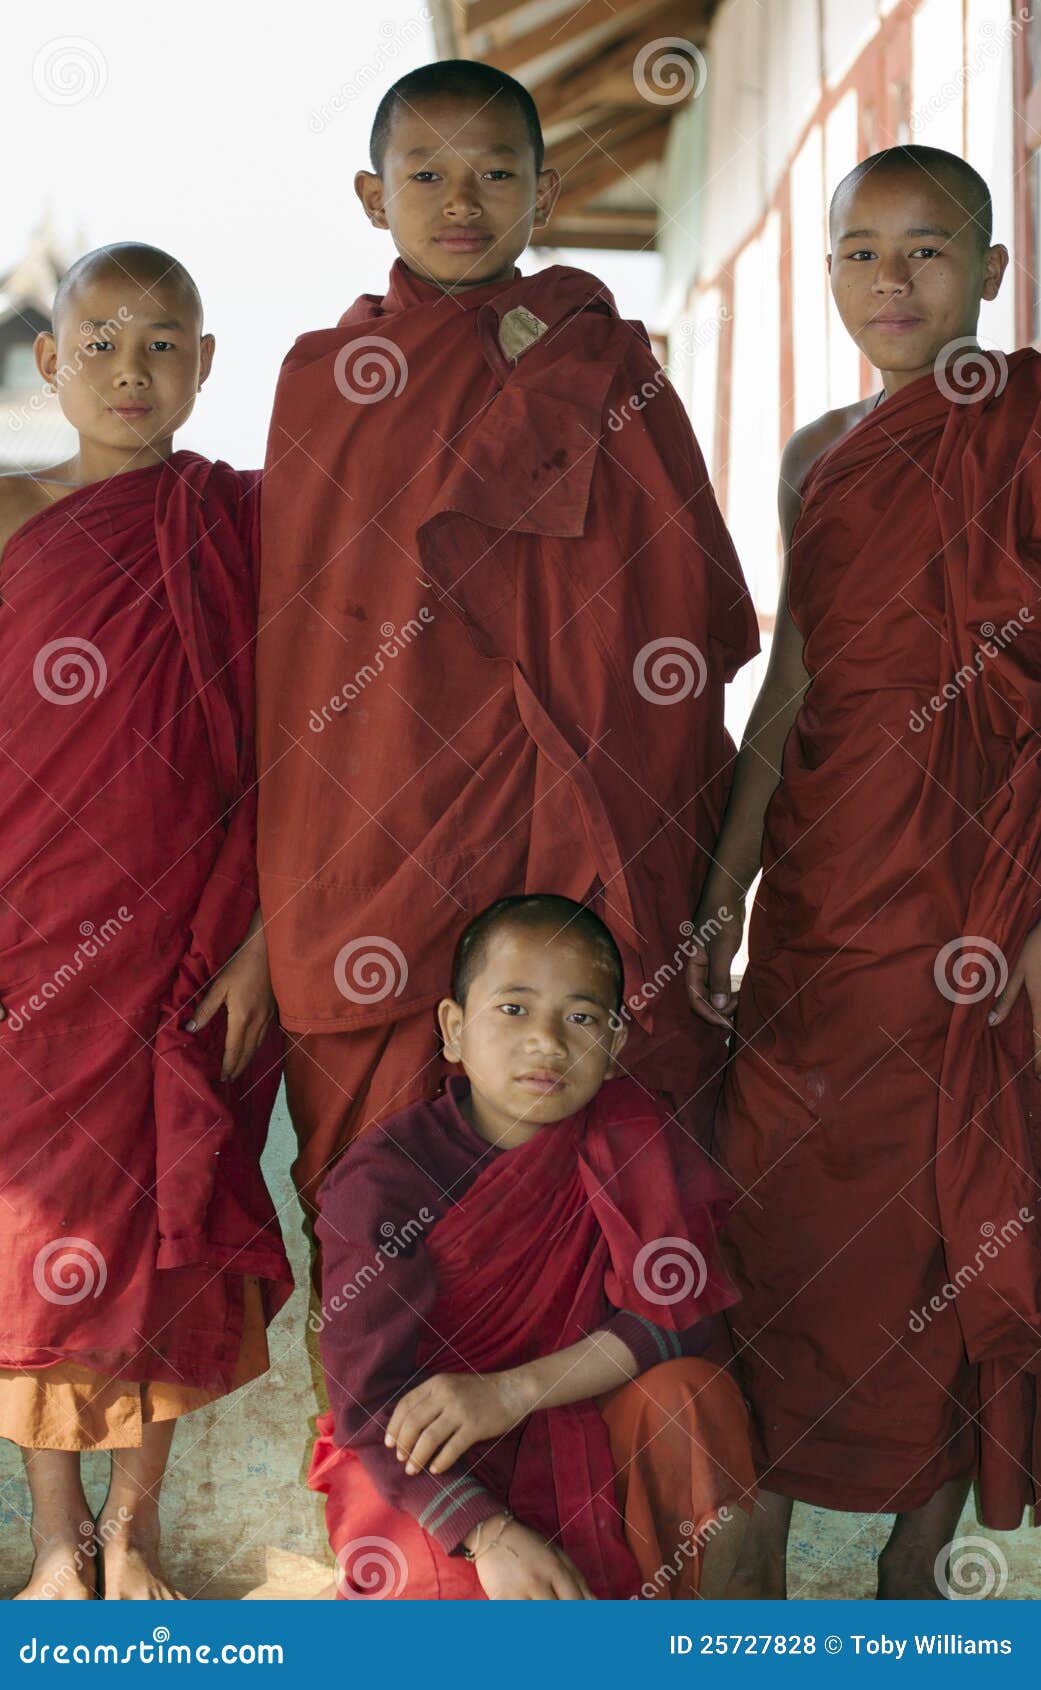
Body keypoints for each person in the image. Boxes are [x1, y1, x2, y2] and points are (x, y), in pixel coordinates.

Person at [256, 58, 758, 1218]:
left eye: (496, 172)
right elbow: (297, 649)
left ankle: (569, 1401)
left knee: (579, 1167)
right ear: (373, 196)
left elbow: (680, 600)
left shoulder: (603, 360)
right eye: (425, 172)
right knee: (380, 1206)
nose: (461, 199)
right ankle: (373, 1404)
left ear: (546, 192)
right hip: (372, 834)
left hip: (566, 823)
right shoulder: (327, 386)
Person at [687, 144, 1041, 1600]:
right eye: (860, 252)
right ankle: (757, 1514)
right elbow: (794, 684)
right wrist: (724, 886)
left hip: (979, 880)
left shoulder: (1027, 426)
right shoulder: (817, 454)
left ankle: (920, 1540)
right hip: (831, 892)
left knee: (948, 1194)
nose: (892, 282)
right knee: (777, 1192)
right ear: (828, 270)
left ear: (993, 273)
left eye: (928, 250)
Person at [0, 243, 292, 1600]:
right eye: (100, 341)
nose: (131, 369)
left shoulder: (243, 522)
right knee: (35, 1237)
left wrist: (266, 940)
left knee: (165, 1218)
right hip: (24, 931)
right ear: (50, 363)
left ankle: (139, 1529)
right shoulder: (8, 514)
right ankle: (57, 1538)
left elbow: (302, 746)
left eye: (162, 342)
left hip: (186, 937)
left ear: (205, 364)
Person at [310, 894, 757, 1600]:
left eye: (580, 1018)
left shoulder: (632, 1137)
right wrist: (485, 1533)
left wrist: (515, 1392)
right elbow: (368, 1406)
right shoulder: (386, 1180)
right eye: (513, 1009)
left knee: (688, 1399)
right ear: (453, 1030)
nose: (548, 1042)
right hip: (431, 1452)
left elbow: (684, 1321)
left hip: (584, 1416)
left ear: (612, 1048)